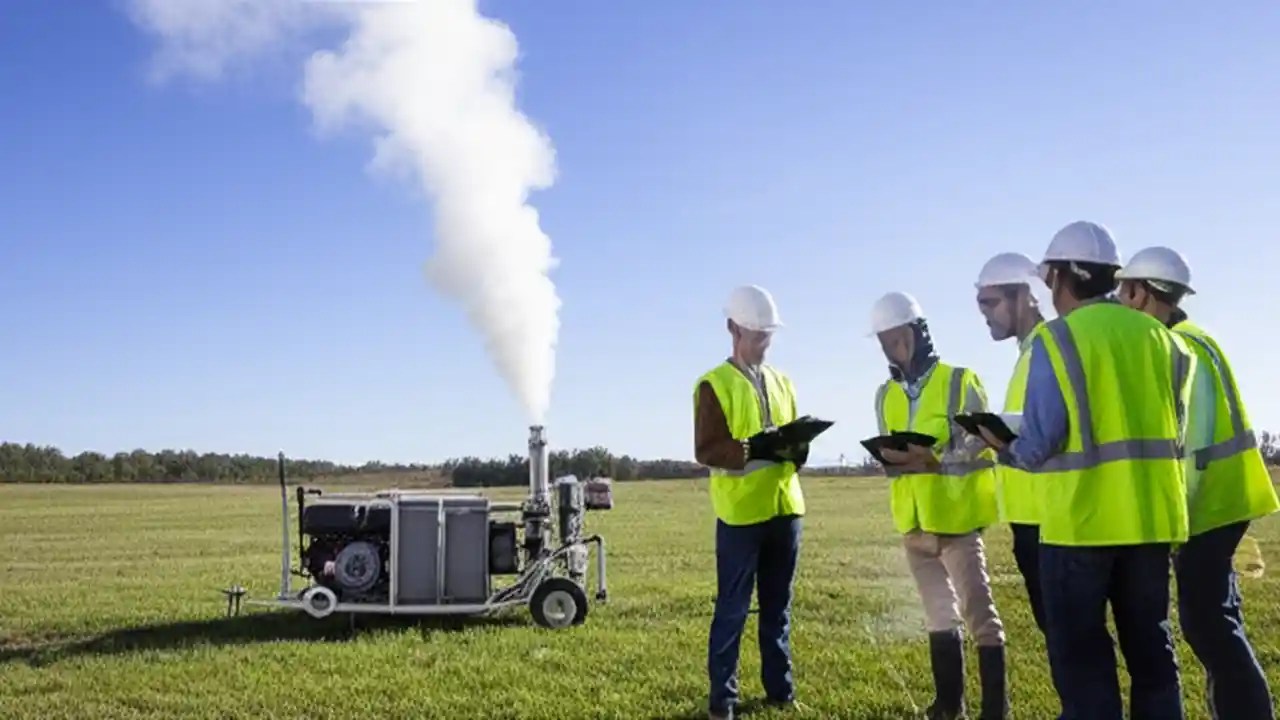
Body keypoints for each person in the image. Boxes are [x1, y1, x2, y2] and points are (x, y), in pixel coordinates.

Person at [973, 221, 1197, 720]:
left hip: (1080, 525)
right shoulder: (1169, 342)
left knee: (1084, 664)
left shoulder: (1057, 341)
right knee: (1153, 657)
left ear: (1056, 277)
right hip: (1152, 521)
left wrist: (998, 444)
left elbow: (1038, 444)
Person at [1116, 246, 1279, 720]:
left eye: (1124, 292)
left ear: (1140, 292)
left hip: (1211, 506)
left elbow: (1193, 443)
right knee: (1218, 620)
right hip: (1228, 499)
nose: (1121, 302)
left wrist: (1177, 519)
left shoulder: (1180, 346)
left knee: (1208, 626)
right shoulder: (1198, 337)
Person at [869, 290, 1008, 720]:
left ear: (918, 333)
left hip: (957, 521)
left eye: (899, 338)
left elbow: (985, 446)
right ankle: (948, 705)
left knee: (980, 616)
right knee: (938, 617)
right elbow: (893, 458)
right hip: (914, 523)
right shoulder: (884, 395)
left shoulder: (960, 381)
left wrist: (937, 460)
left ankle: (994, 711)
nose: (894, 349)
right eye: (885, 341)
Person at [693, 284, 811, 720]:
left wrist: (798, 447)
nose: (763, 344)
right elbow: (707, 450)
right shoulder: (713, 384)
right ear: (733, 329)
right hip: (741, 516)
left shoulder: (783, 382)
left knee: (778, 609)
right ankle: (722, 701)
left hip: (786, 510)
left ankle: (780, 691)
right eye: (756, 335)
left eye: (768, 336)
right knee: (733, 610)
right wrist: (755, 449)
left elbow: (798, 447)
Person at [973, 252, 1049, 635]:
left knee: (1067, 643)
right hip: (1029, 517)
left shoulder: (1045, 350)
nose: (984, 313)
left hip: (1046, 520)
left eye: (991, 302)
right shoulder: (1029, 353)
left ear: (1025, 296)